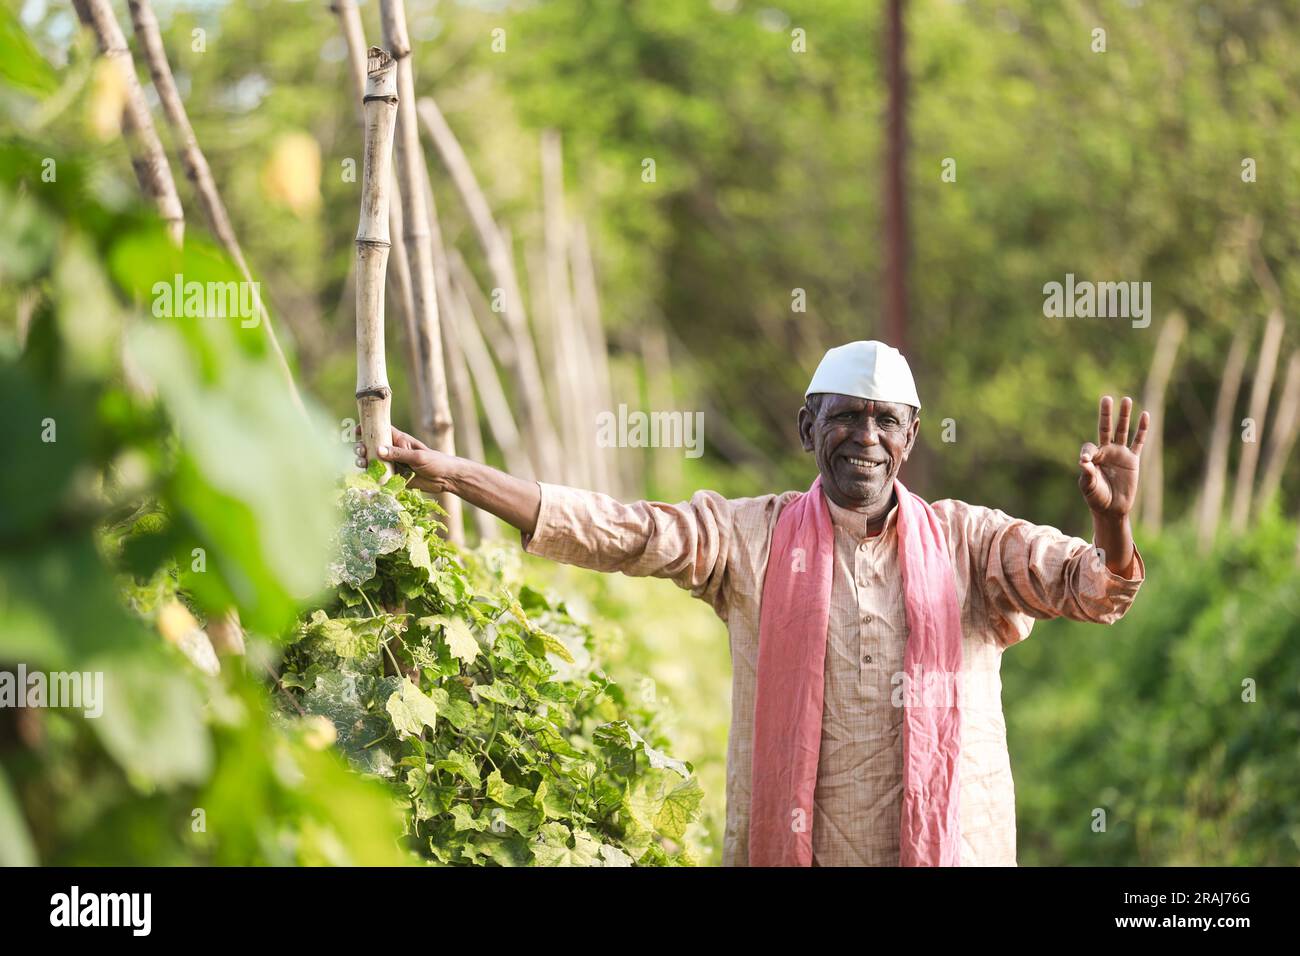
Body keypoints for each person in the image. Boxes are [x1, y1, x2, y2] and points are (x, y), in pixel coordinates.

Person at [356, 340, 1148, 866]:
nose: (864, 437)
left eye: (884, 422)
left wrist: (1112, 526)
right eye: (844, 418)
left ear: (909, 440)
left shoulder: (971, 543)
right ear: (809, 428)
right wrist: (461, 477)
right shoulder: (750, 537)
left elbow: (1086, 585)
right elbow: (622, 531)